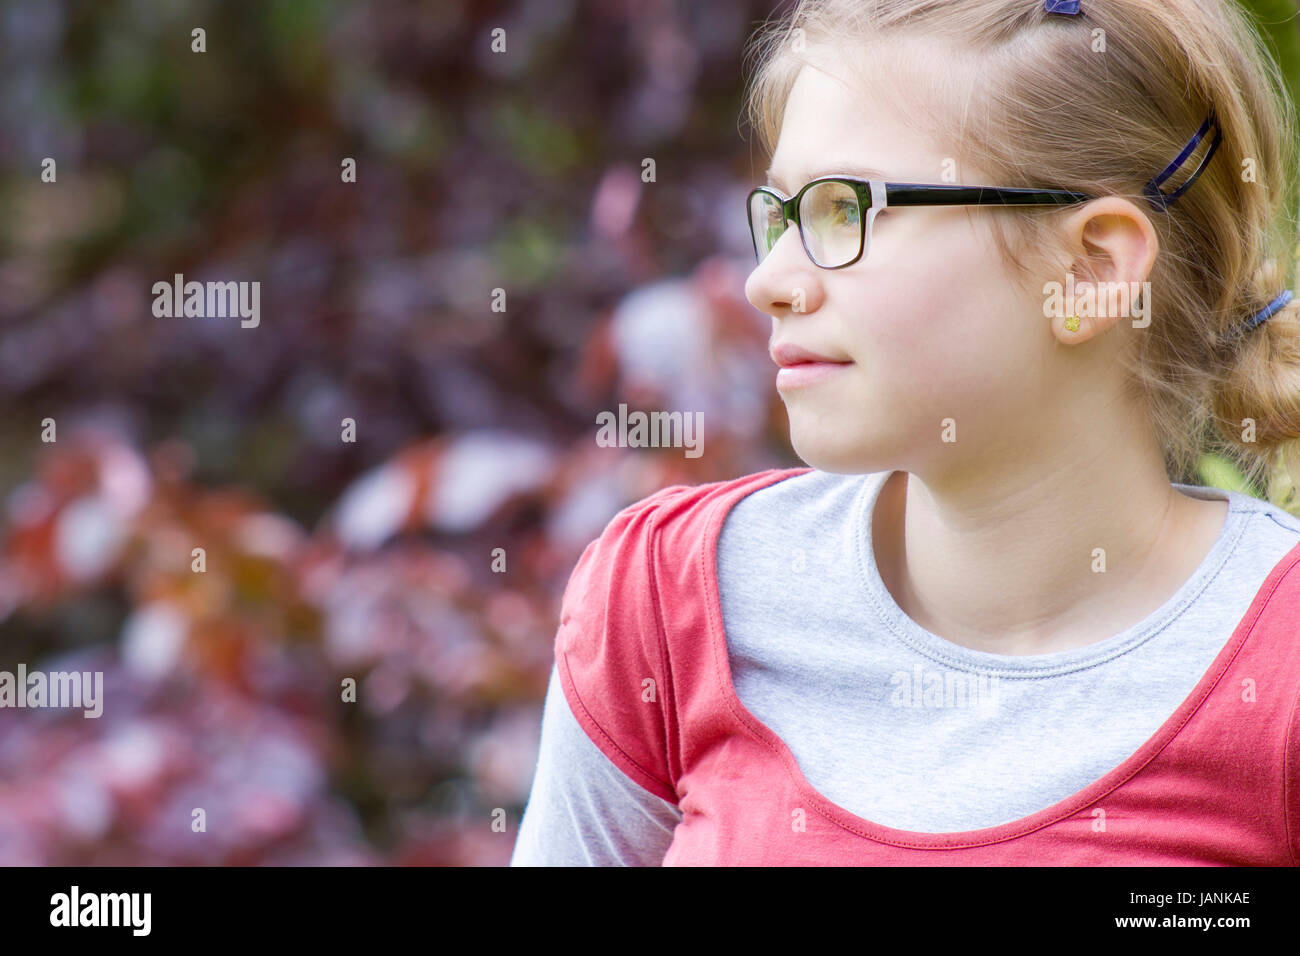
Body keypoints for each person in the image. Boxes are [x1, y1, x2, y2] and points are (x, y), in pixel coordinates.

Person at [511, 0, 1300, 865]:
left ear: (1091, 271)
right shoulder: (668, 606)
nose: (768, 282)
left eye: (844, 211)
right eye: (780, 215)